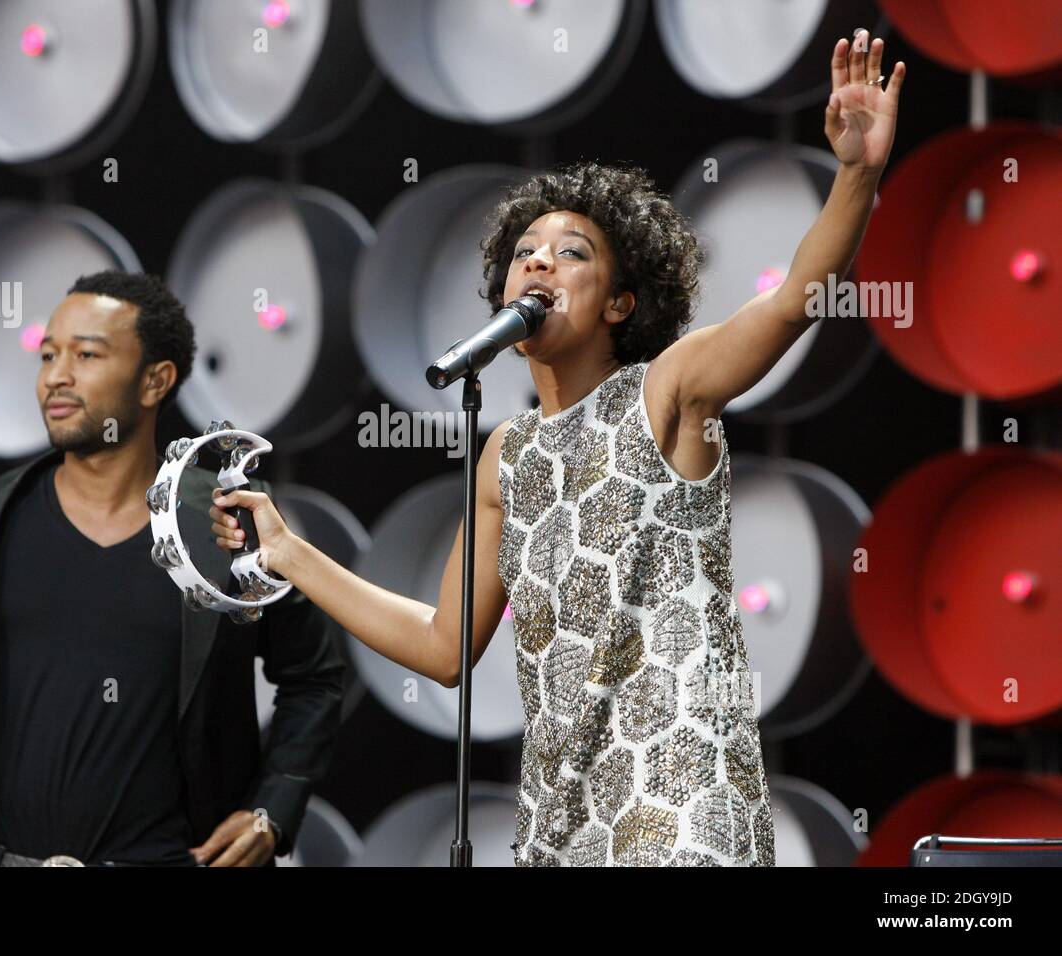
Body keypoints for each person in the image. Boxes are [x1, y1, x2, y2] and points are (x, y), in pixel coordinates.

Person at [209, 33, 905, 866]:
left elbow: (793, 303)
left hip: (683, 811)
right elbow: (443, 646)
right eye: (523, 251)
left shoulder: (666, 391)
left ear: (619, 303)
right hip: (560, 824)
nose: (537, 257)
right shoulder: (507, 454)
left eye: (571, 253)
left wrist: (858, 177)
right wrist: (289, 553)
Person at [0, 270, 345, 867]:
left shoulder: (225, 520)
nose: (57, 375)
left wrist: (274, 809)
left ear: (155, 381)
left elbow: (313, 676)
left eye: (86, 354)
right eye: (48, 354)